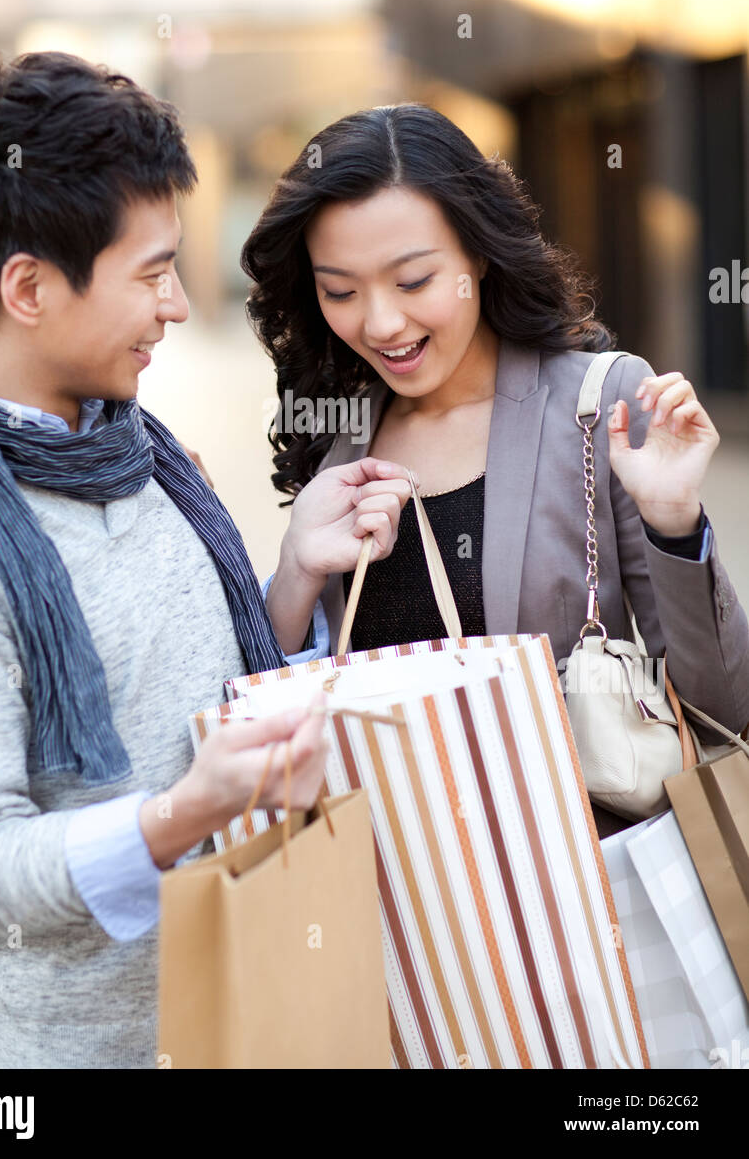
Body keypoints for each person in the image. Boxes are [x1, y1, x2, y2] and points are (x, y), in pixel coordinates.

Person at [0, 53, 412, 1069]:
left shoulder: (128, 441)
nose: (176, 305)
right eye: (151, 271)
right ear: (28, 287)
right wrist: (185, 814)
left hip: (260, 1001)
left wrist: (295, 573)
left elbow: (192, 697)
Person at [241, 102, 749, 840]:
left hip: (574, 887)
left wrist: (674, 522)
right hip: (398, 889)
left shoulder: (598, 404)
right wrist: (294, 575)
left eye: (412, 280)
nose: (380, 324)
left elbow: (721, 709)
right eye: (341, 291)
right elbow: (280, 716)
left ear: (477, 255)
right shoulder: (340, 433)